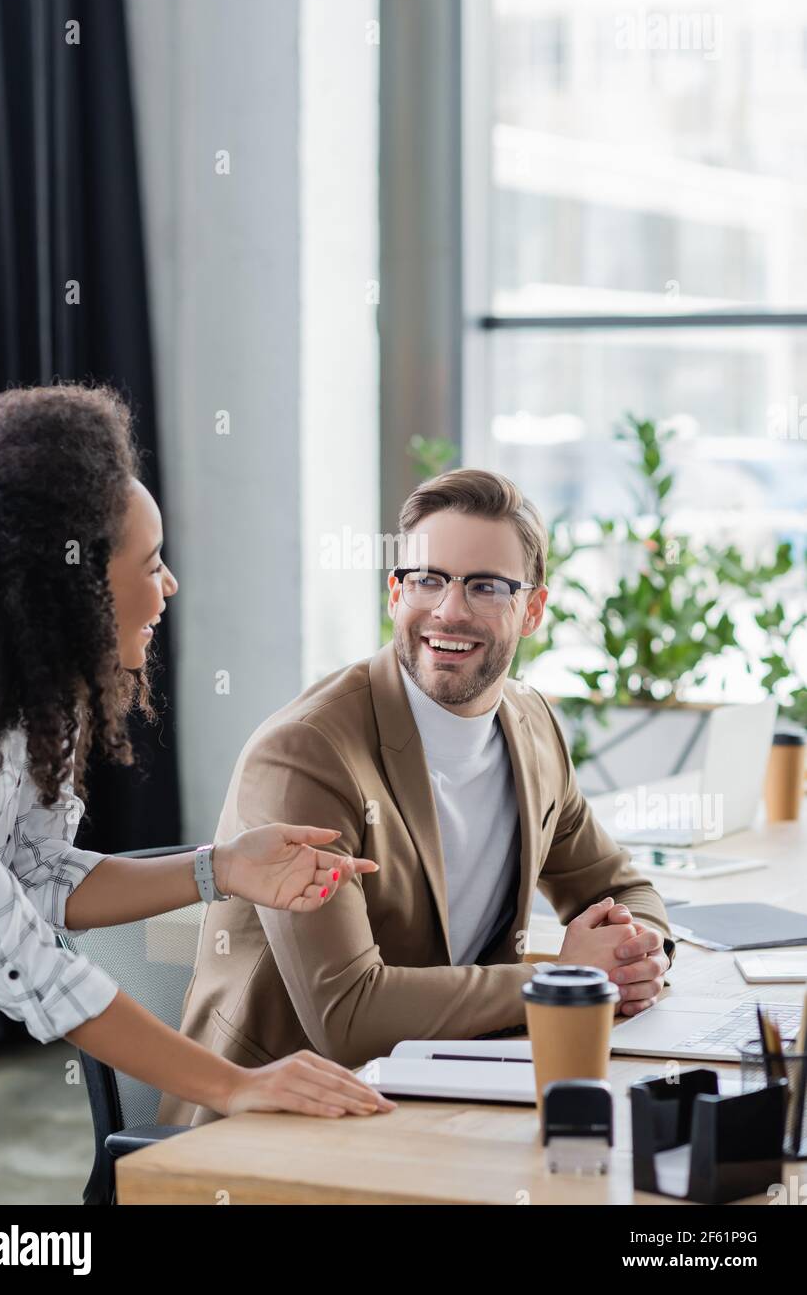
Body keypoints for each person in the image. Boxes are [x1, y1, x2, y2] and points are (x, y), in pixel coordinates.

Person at [159, 468, 674, 1127]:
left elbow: (621, 890)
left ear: (534, 609)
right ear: (394, 593)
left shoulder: (531, 726)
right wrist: (564, 981)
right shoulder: (305, 754)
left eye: (486, 586)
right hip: (271, 1126)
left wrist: (639, 954)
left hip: (437, 1096)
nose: (449, 611)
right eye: (426, 579)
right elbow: (347, 1015)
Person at [0, 383, 395, 1122]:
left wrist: (222, 869)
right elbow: (23, 963)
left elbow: (40, 877)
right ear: (73, 584)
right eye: (152, 564)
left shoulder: (17, 700)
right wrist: (233, 1084)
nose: (170, 585)